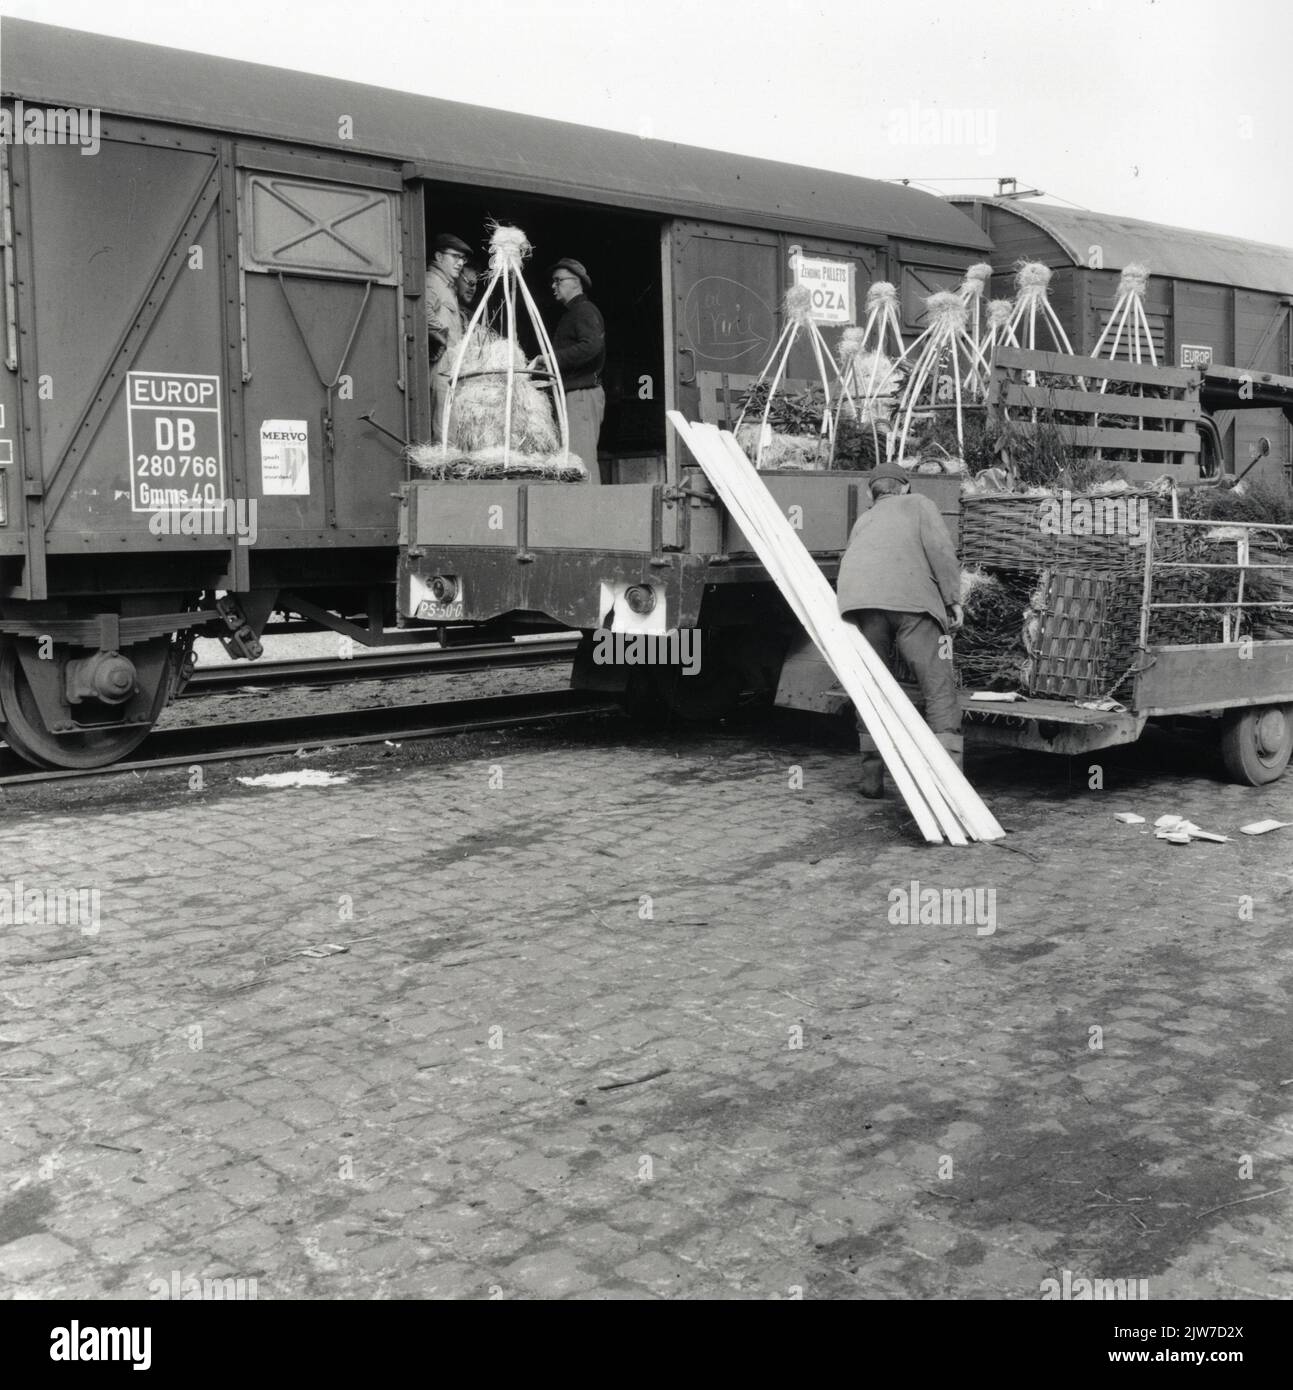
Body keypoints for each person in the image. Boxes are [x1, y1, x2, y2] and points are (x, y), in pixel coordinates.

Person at [836, 464, 964, 798]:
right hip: (911, 604)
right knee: (938, 687)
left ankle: (871, 777)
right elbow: (941, 551)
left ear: (870, 493)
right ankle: (950, 779)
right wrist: (953, 599)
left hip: (862, 606)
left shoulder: (864, 519)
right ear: (905, 488)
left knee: (873, 688)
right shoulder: (920, 504)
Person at [547, 258, 606, 484]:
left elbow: (592, 345)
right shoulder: (574, 313)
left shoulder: (584, 310)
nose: (554, 286)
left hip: (581, 395)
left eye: (558, 281)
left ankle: (589, 515)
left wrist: (554, 359)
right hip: (575, 394)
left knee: (581, 461)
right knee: (573, 460)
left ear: (576, 282)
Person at [426, 233, 472, 442]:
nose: (460, 263)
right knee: (444, 431)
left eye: (463, 259)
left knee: (452, 427)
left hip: (451, 368)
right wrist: (442, 338)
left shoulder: (447, 286)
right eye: (455, 256)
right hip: (443, 367)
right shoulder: (432, 282)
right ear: (438, 256)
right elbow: (422, 312)